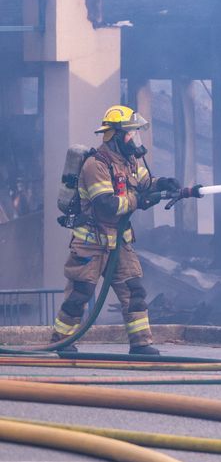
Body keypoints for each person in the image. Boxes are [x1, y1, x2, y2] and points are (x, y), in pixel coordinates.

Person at [49, 105, 179, 355]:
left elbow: (144, 182)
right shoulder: (95, 165)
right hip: (91, 243)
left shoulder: (128, 161)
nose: (135, 139)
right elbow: (106, 204)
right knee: (80, 294)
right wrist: (137, 201)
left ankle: (141, 344)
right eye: (131, 134)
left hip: (119, 243)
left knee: (134, 291)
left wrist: (162, 183)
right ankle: (61, 341)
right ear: (116, 135)